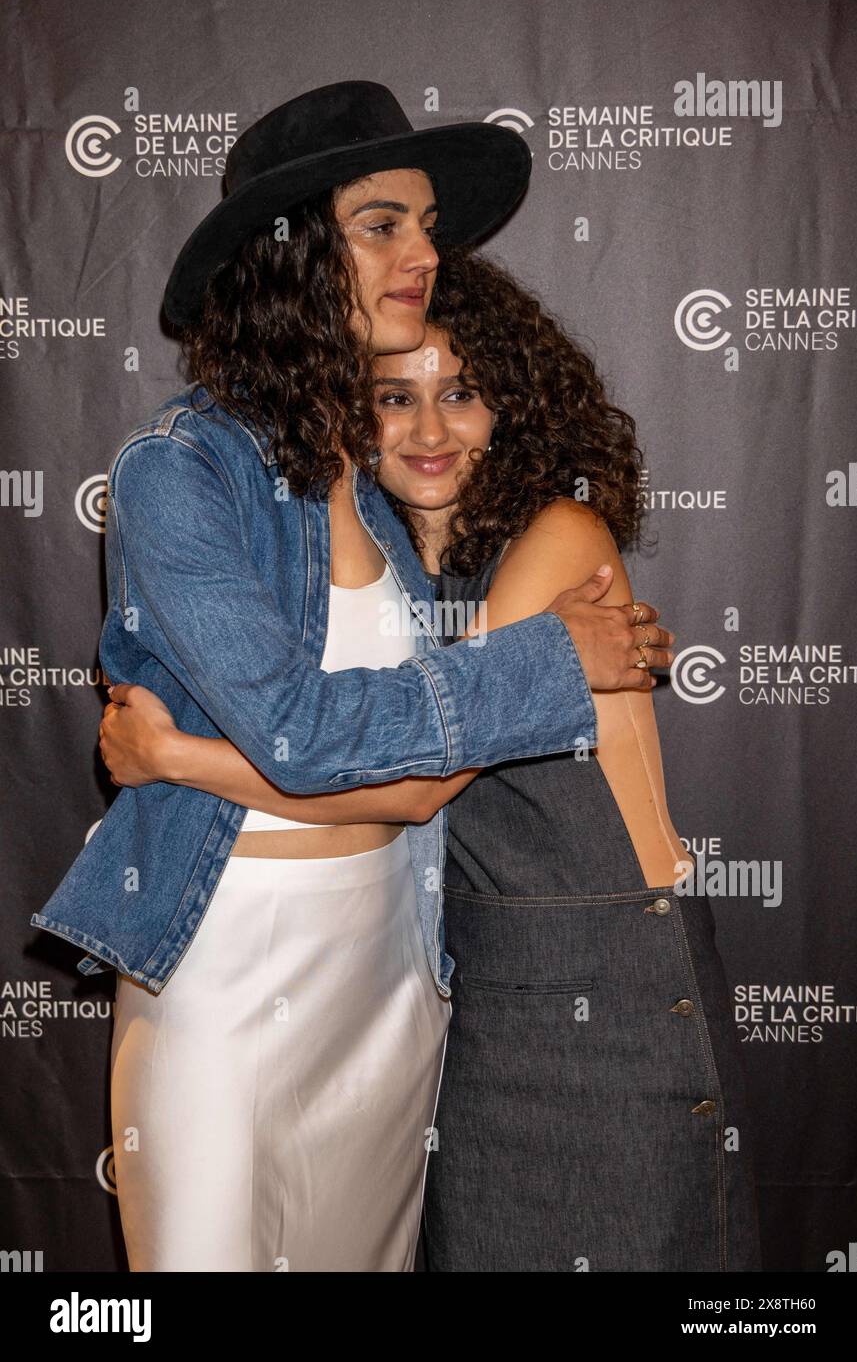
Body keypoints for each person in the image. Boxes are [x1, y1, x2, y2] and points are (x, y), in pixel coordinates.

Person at [31, 81, 674, 1273]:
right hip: (229, 964)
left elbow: (425, 783)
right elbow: (307, 732)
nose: (423, 252)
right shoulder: (178, 473)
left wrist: (171, 755)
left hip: (393, 972)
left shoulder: (388, 489)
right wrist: (544, 663)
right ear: (285, 258)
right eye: (383, 223)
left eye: (426, 225)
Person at [99, 248, 761, 1272]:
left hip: (613, 990)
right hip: (476, 1000)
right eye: (391, 398)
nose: (427, 430)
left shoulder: (555, 534)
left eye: (460, 393)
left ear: (514, 404)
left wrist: (180, 755)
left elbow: (418, 781)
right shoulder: (403, 581)